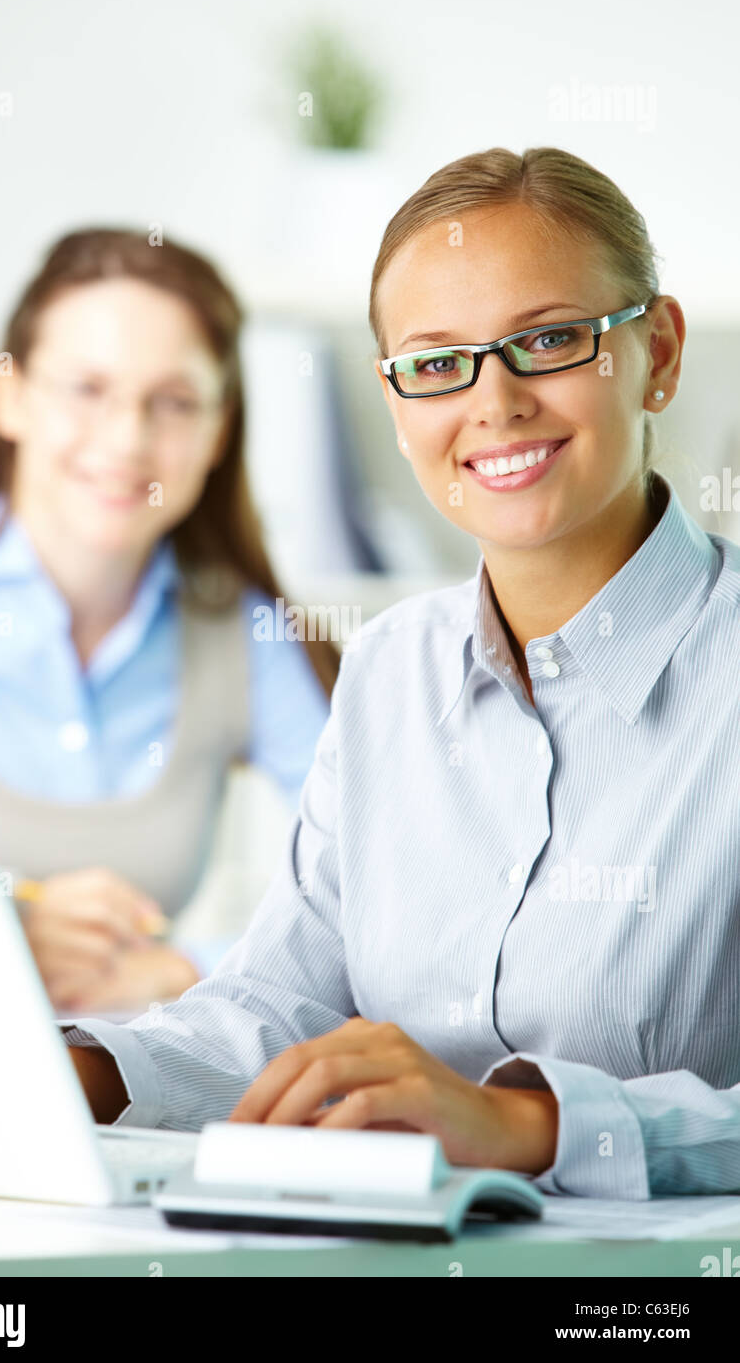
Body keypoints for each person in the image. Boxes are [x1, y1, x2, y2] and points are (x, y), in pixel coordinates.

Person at [66, 145, 739, 1198]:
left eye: (550, 339)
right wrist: (78, 1073)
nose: (493, 400)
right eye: (436, 364)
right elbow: (282, 1005)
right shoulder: (388, 668)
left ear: (654, 350)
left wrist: (518, 1123)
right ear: (397, 402)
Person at [0, 229, 339, 1013]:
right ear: (10, 396)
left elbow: (377, 897)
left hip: (127, 1109)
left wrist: (186, 967)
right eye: (87, 388)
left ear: (219, 433)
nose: (127, 440)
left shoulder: (249, 635)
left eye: (175, 402)